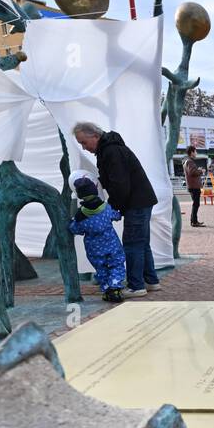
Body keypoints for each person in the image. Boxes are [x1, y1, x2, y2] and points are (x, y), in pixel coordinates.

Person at [72, 122, 160, 298]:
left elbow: (120, 184)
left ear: (95, 136)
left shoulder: (110, 151)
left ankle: (136, 286)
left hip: (136, 202)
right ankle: (150, 281)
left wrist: (109, 207)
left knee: (132, 244)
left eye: (84, 142)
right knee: (142, 243)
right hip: (142, 199)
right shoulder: (109, 149)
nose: (84, 147)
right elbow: (113, 179)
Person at [67, 177, 126, 302]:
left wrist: (71, 222)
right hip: (112, 245)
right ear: (94, 191)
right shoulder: (106, 208)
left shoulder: (81, 216)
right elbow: (117, 216)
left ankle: (106, 290)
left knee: (101, 269)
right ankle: (115, 287)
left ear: (80, 195)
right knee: (116, 265)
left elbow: (75, 229)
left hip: (94, 248)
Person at [184, 145, 206, 227]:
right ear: (192, 152)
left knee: (195, 204)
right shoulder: (190, 161)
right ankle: (194, 222)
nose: (196, 153)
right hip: (194, 186)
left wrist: (198, 170)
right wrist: (201, 171)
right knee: (196, 204)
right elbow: (192, 172)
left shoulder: (187, 161)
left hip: (192, 186)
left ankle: (194, 221)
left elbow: (192, 172)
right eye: (195, 151)